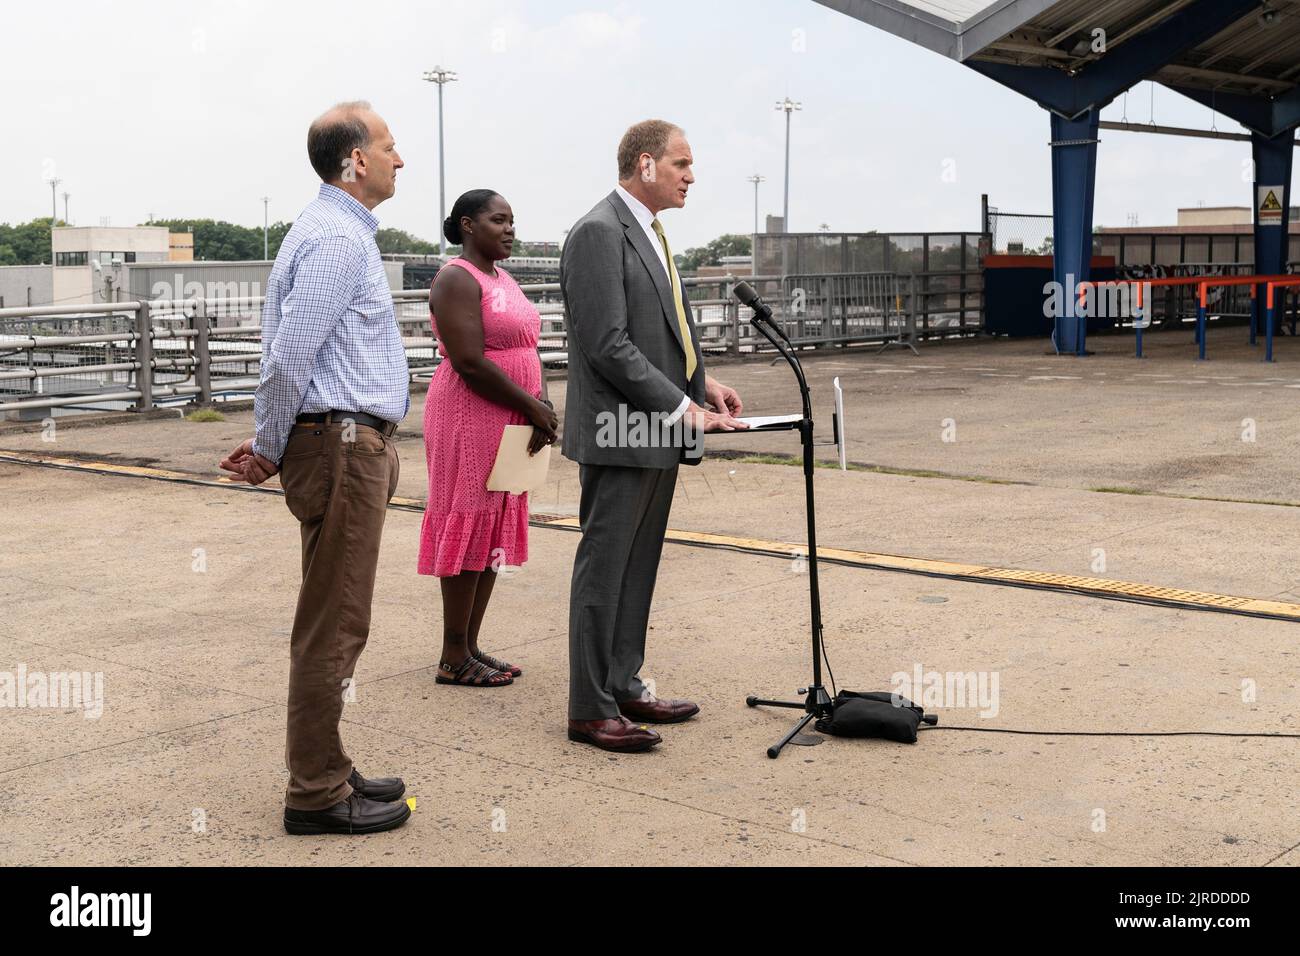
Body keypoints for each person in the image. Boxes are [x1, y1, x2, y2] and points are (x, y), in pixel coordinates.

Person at [219, 101, 411, 835]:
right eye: (390, 147)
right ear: (355, 160)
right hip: (341, 449)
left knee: (333, 618)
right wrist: (270, 446)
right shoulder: (337, 238)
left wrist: (275, 442)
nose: (400, 159)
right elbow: (290, 357)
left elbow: (297, 356)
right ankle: (317, 790)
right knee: (333, 626)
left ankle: (326, 763)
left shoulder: (334, 232)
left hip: (344, 446)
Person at [560, 119, 747, 753]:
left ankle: (623, 682)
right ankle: (589, 708)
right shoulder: (597, 233)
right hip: (621, 433)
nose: (691, 176)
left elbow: (663, 333)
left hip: (656, 429)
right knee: (605, 567)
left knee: (637, 567)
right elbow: (608, 345)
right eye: (682, 164)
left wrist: (703, 387)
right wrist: (679, 406)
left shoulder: (653, 233)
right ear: (645, 164)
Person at [418, 189, 557, 686]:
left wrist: (541, 405)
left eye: (512, 220)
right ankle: (452, 656)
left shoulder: (504, 278)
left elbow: (523, 347)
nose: (509, 229)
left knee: (494, 524)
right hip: (470, 414)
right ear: (468, 226)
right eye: (499, 220)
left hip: (512, 415)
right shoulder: (456, 278)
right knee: (469, 517)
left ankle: (471, 645)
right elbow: (469, 361)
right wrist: (532, 405)